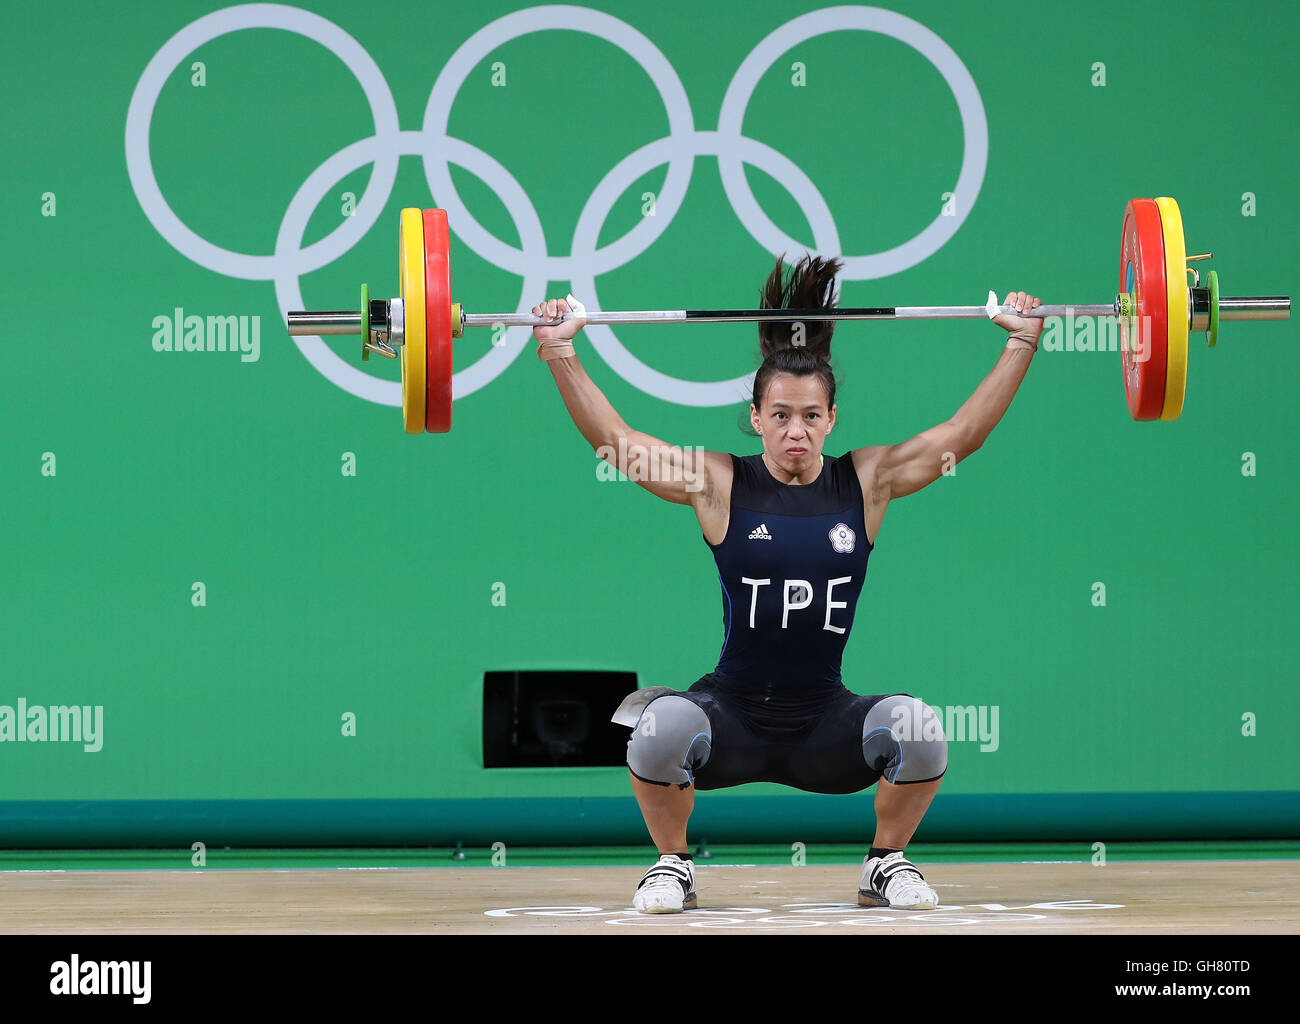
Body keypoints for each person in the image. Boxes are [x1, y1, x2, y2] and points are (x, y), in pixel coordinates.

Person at [531, 256, 1043, 913]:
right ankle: (671, 865)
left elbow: (963, 435)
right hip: (731, 720)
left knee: (918, 727)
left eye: (809, 416)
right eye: (779, 416)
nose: (794, 431)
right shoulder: (719, 482)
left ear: (832, 418)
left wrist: (1021, 339)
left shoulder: (868, 481)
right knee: (657, 728)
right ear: (755, 416)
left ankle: (884, 864)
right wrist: (559, 350)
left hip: (825, 725)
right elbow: (617, 442)